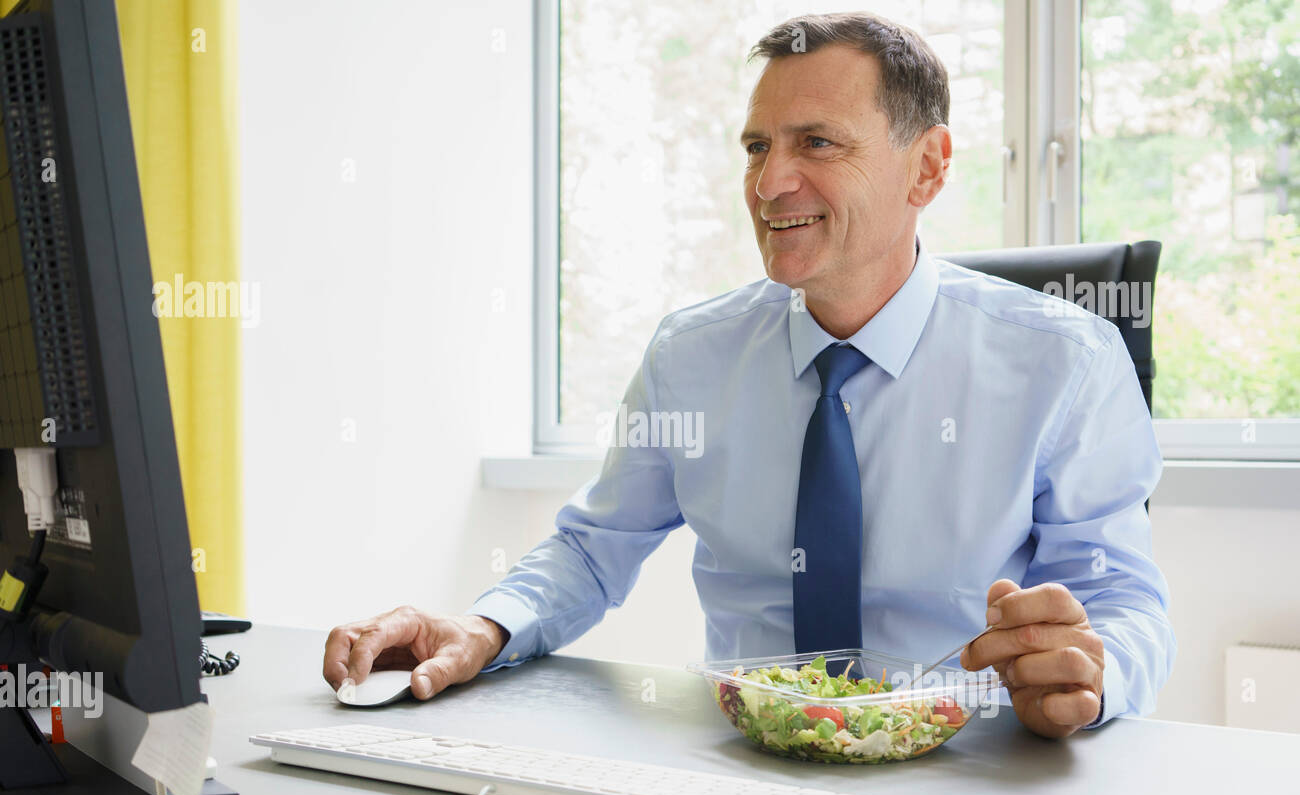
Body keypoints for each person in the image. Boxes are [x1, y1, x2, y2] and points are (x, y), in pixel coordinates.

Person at [324, 12, 1174, 739]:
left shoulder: (1066, 361)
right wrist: (483, 623)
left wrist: (1093, 676)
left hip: (971, 772)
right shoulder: (693, 355)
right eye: (758, 146)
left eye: (817, 143)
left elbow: (1124, 607)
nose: (770, 183)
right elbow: (594, 549)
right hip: (744, 771)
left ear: (928, 166)